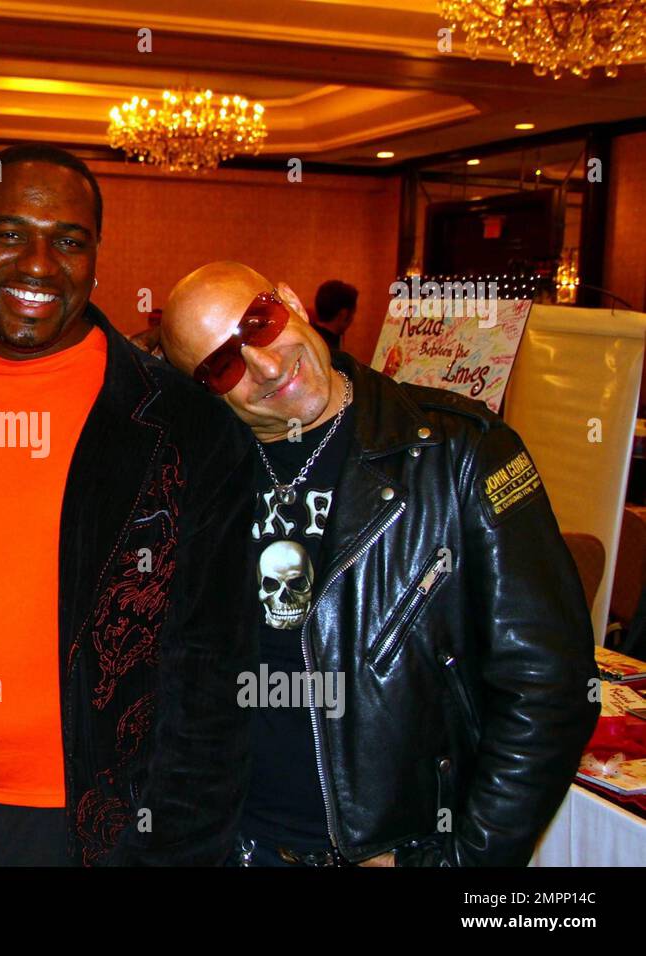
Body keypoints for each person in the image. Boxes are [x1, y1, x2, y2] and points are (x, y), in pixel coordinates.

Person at [160, 261, 598, 867]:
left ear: (290, 300)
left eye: (259, 324)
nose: (263, 366)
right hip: (231, 847)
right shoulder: (195, 481)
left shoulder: (457, 451)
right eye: (223, 365)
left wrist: (459, 863)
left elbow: (551, 685)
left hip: (393, 850)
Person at [0, 147, 256, 866]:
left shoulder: (183, 425)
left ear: (96, 256)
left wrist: (167, 846)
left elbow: (213, 677)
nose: (37, 264)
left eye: (68, 240)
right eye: (9, 234)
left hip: (98, 829)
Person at [311, 279, 357, 352]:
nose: (352, 319)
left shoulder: (307, 335)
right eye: (353, 313)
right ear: (343, 315)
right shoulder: (334, 354)